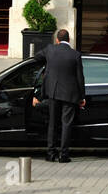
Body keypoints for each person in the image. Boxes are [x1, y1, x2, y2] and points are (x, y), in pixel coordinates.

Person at [31, 29, 85, 162]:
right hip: (70, 93)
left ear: (57, 40)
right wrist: (82, 97)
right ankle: (64, 155)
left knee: (52, 124)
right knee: (66, 124)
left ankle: (50, 153)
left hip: (53, 92)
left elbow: (37, 56)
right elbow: (80, 77)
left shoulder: (50, 49)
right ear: (69, 40)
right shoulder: (75, 55)